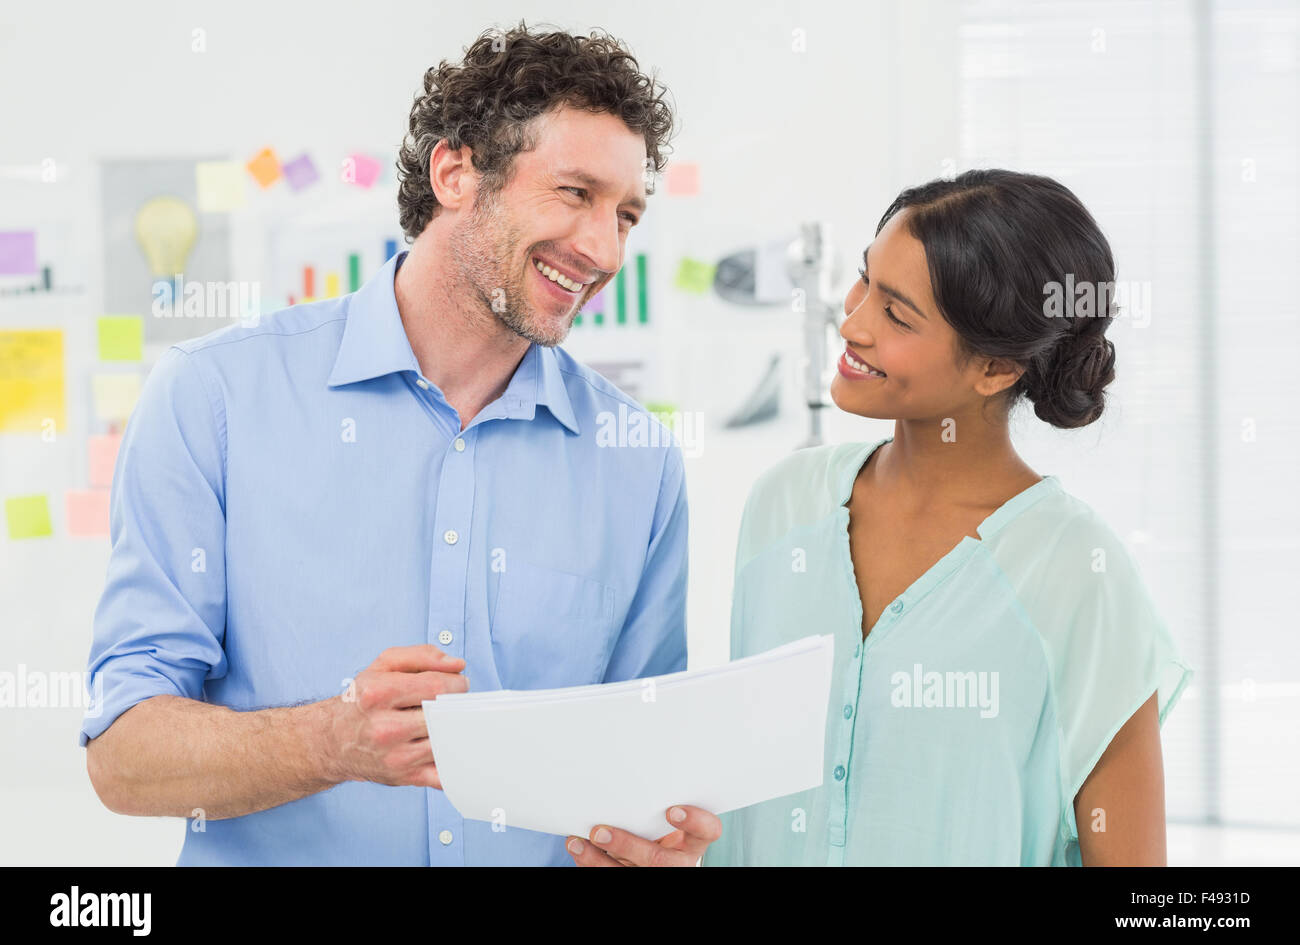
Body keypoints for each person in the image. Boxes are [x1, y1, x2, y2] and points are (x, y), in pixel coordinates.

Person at [81, 22, 698, 866]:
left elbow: (639, 765)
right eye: (573, 193)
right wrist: (328, 742)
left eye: (626, 214)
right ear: (455, 173)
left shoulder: (639, 460)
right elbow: (122, 760)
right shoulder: (214, 398)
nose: (603, 248)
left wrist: (653, 843)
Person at [574, 169, 1194, 868]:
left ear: (995, 368)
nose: (854, 322)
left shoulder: (1077, 571)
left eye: (898, 315)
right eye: (865, 281)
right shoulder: (784, 506)